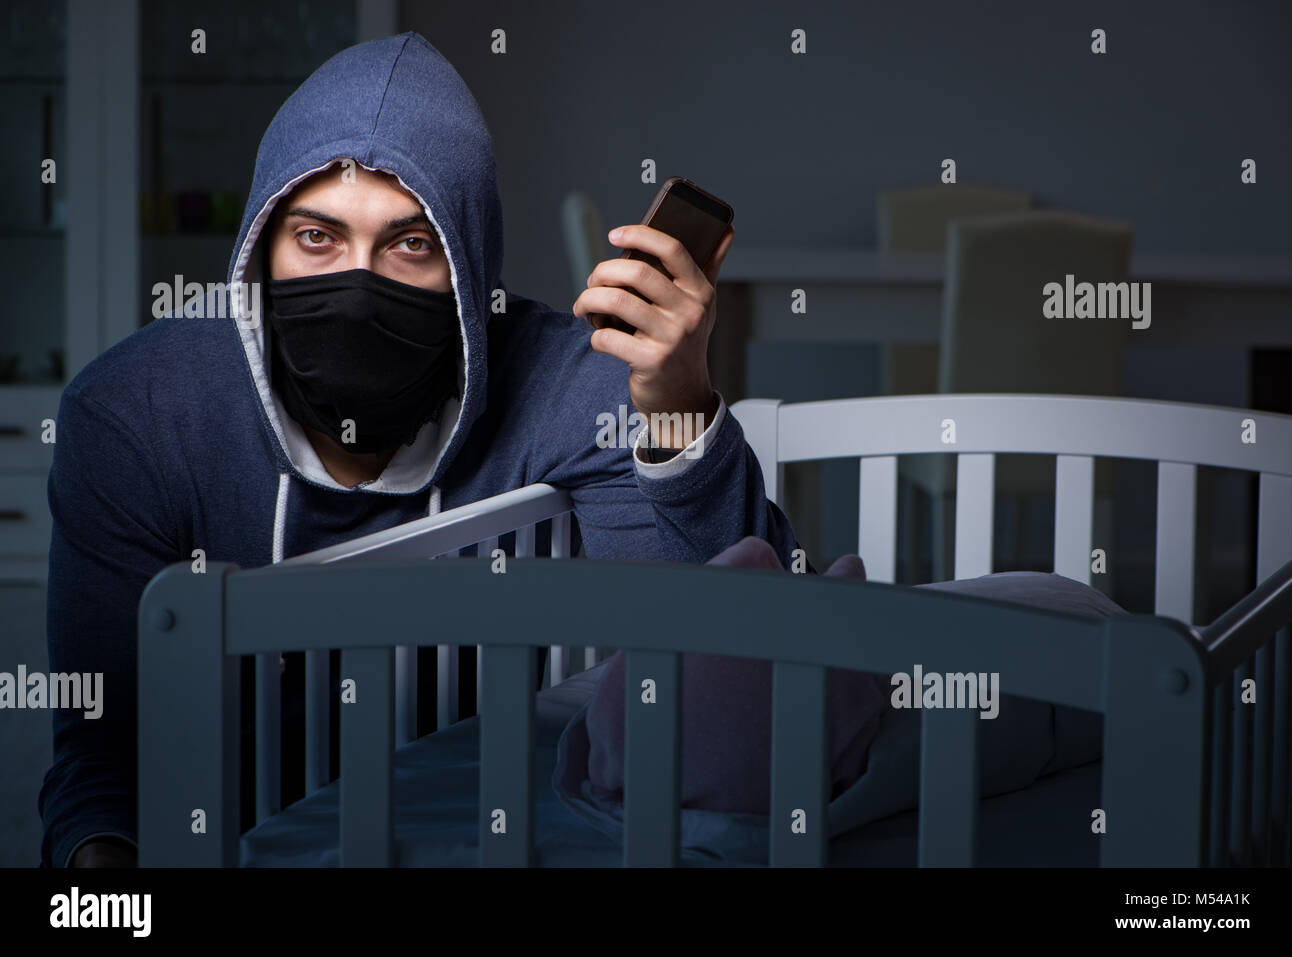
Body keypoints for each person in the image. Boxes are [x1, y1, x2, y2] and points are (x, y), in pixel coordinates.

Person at [39, 31, 801, 867]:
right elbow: (104, 754)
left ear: (470, 270)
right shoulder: (134, 414)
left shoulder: (579, 385)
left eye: (411, 244)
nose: (359, 289)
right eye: (318, 238)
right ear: (258, 248)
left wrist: (682, 408)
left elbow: (735, 658)